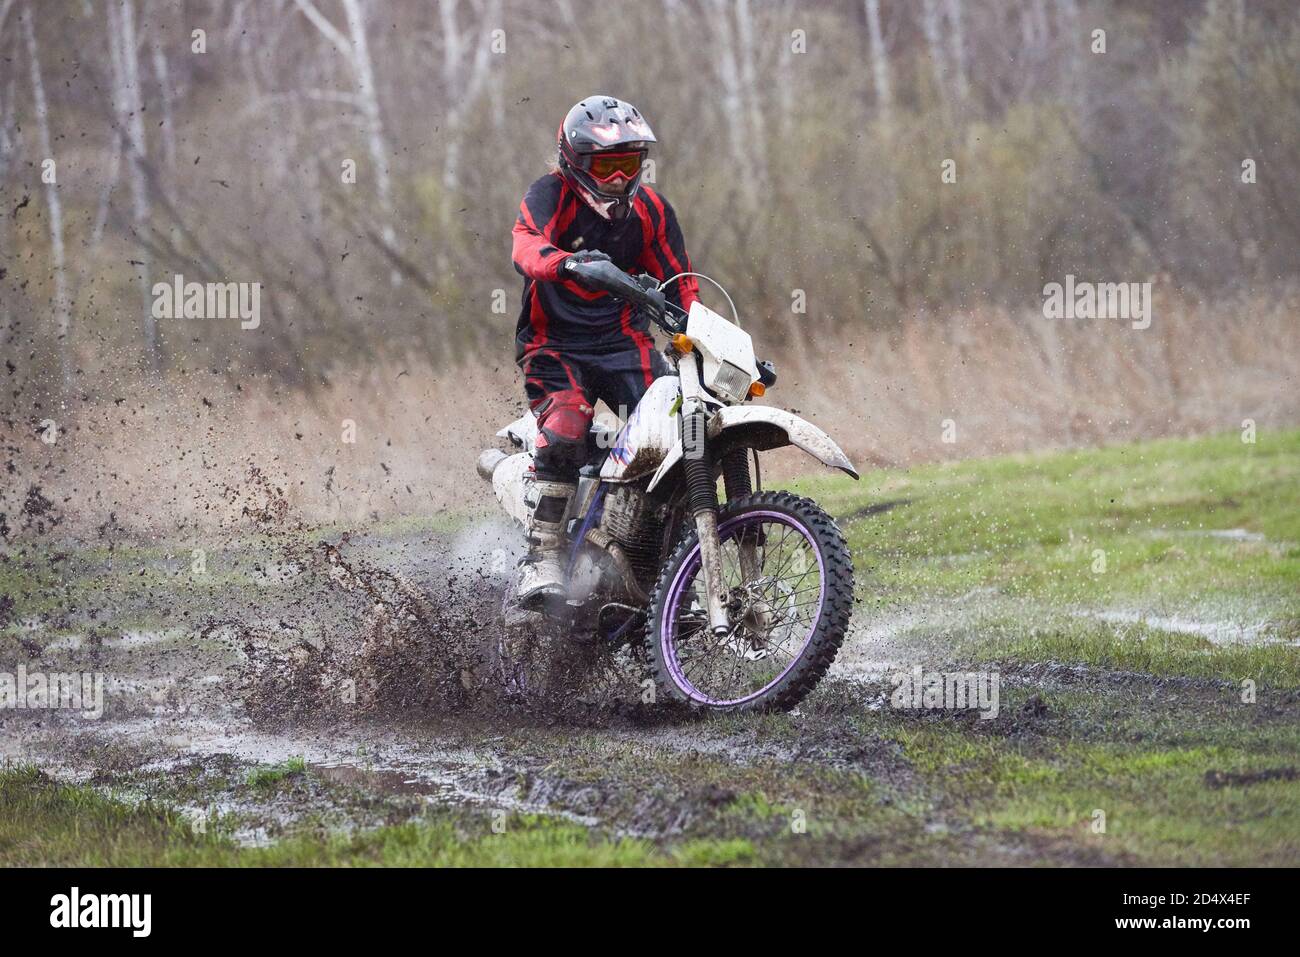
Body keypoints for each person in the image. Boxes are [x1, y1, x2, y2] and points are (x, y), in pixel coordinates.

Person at [510, 94, 700, 607]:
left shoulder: (653, 210)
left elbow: (681, 282)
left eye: (629, 163)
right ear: (575, 162)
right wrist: (566, 264)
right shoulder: (550, 194)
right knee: (569, 424)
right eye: (606, 164)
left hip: (625, 345)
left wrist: (701, 333)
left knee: (682, 430)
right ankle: (542, 556)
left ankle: (655, 556)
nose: (618, 177)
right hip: (554, 347)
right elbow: (525, 243)